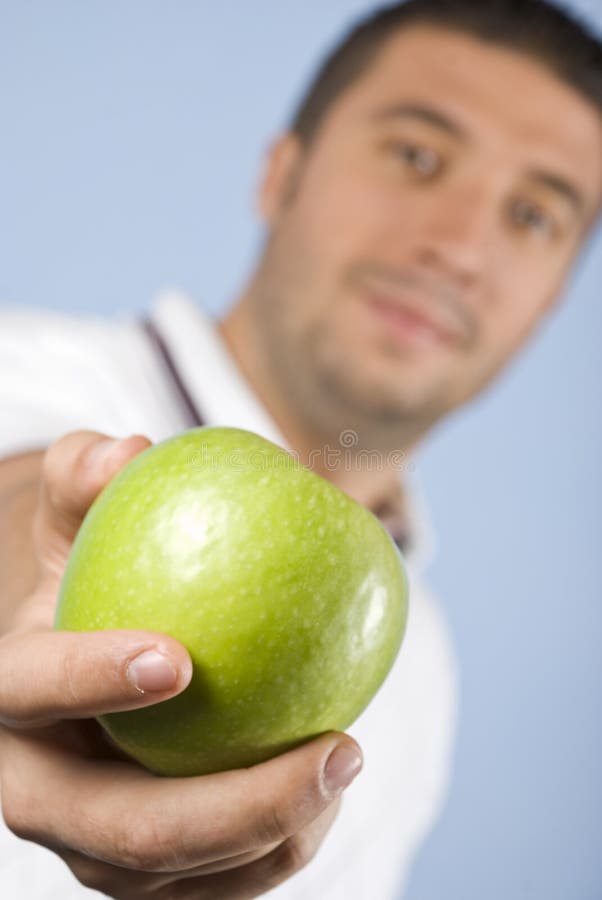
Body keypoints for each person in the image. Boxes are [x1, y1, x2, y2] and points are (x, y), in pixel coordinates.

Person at [0, 0, 601, 897]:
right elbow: (27, 509)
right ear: (282, 174)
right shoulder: (25, 368)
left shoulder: (424, 666)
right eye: (418, 158)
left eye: (532, 217)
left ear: (551, 298)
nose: (463, 246)